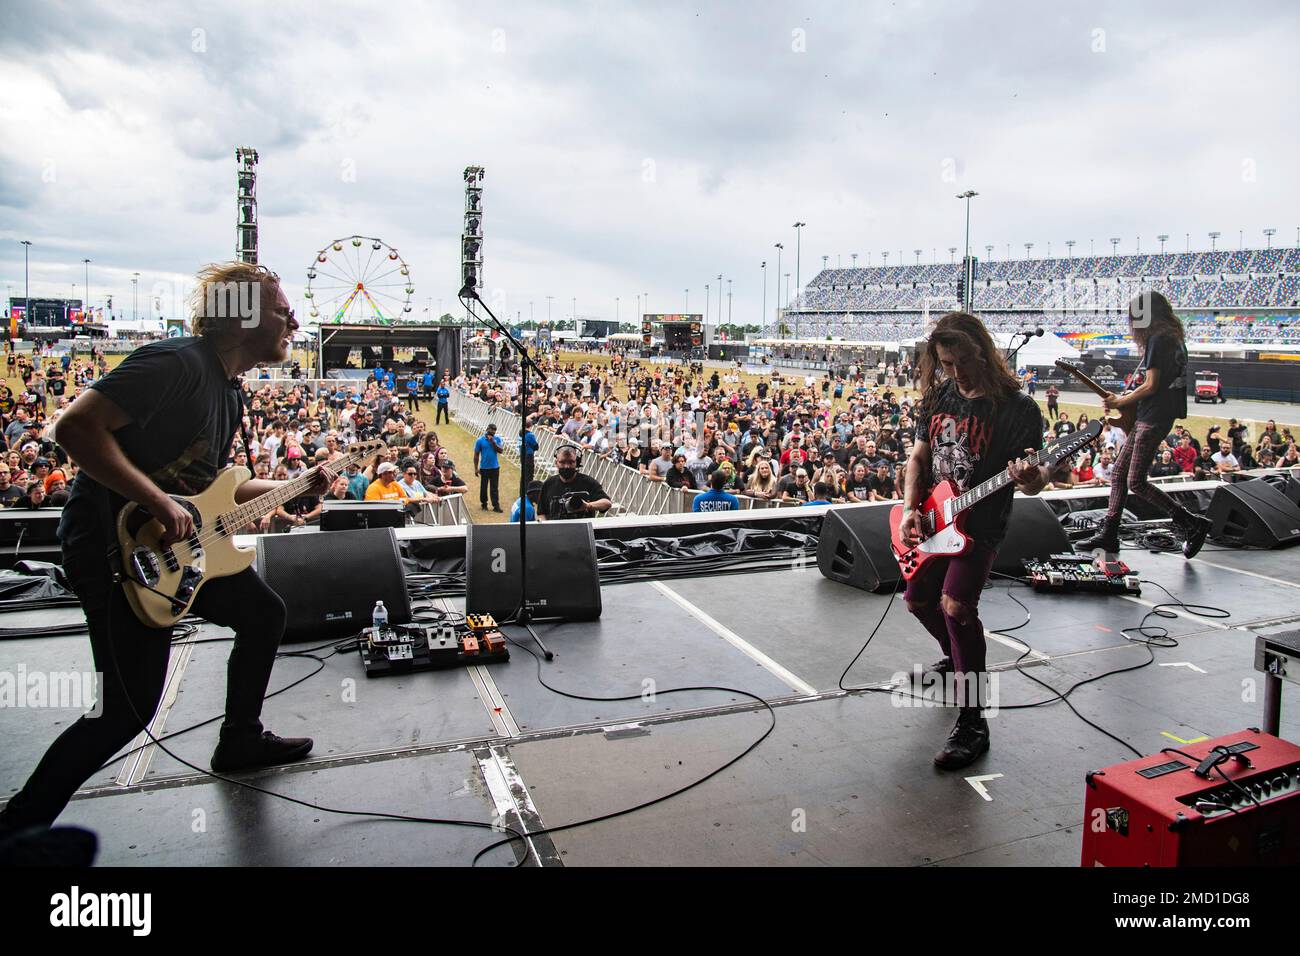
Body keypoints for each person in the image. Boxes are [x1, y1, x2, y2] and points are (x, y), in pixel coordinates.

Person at [0, 262, 325, 845]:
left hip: (173, 551)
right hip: (115, 548)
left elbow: (210, 493)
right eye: (282, 309)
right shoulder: (178, 363)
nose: (294, 321)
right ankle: (16, 829)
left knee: (262, 613)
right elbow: (75, 428)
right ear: (244, 316)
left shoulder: (226, 391)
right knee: (124, 711)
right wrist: (154, 500)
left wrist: (294, 490)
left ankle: (240, 738)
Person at [898, 312, 1051, 771]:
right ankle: (957, 657)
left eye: (963, 361)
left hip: (981, 524)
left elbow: (1038, 475)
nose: (957, 372)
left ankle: (974, 719)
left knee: (957, 606)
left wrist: (1031, 478)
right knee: (917, 599)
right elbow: (919, 457)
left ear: (982, 352)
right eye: (946, 363)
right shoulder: (940, 394)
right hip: (934, 517)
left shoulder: (1017, 408)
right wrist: (910, 508)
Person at [1078, 292, 1212, 559]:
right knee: (1118, 473)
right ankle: (1109, 533)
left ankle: (1190, 522)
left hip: (1153, 417)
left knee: (1136, 481)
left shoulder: (1157, 340)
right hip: (1157, 414)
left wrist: (1122, 399)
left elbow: (1151, 385)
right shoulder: (1174, 339)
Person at [538, 447, 611, 520]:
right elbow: (541, 513)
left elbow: (607, 503)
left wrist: (587, 505)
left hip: (582, 530)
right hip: (555, 530)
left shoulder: (588, 482)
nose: (567, 466)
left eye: (571, 462)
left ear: (577, 462)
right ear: (556, 463)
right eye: (562, 462)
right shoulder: (548, 484)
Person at [473, 423, 504, 512]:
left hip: (495, 467)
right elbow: (476, 455)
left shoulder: (497, 439)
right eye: (491, 430)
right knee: (484, 487)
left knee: (494, 487)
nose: (493, 432)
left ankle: (496, 505)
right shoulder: (480, 440)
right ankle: (484, 504)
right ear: (487, 429)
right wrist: (476, 468)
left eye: (495, 430)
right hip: (484, 468)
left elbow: (500, 450)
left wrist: (493, 442)